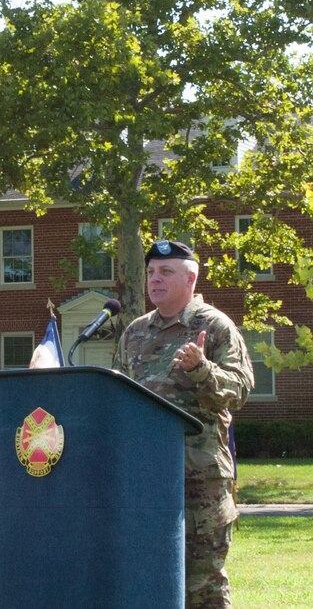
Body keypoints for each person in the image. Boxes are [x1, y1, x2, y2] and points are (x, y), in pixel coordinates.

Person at [114, 240, 253, 608]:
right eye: (150, 273)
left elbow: (239, 389)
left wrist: (202, 370)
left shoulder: (214, 326)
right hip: (145, 478)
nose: (154, 279)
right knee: (149, 578)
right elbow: (118, 396)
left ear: (190, 278)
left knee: (202, 587)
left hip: (199, 478)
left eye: (165, 272)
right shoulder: (134, 333)